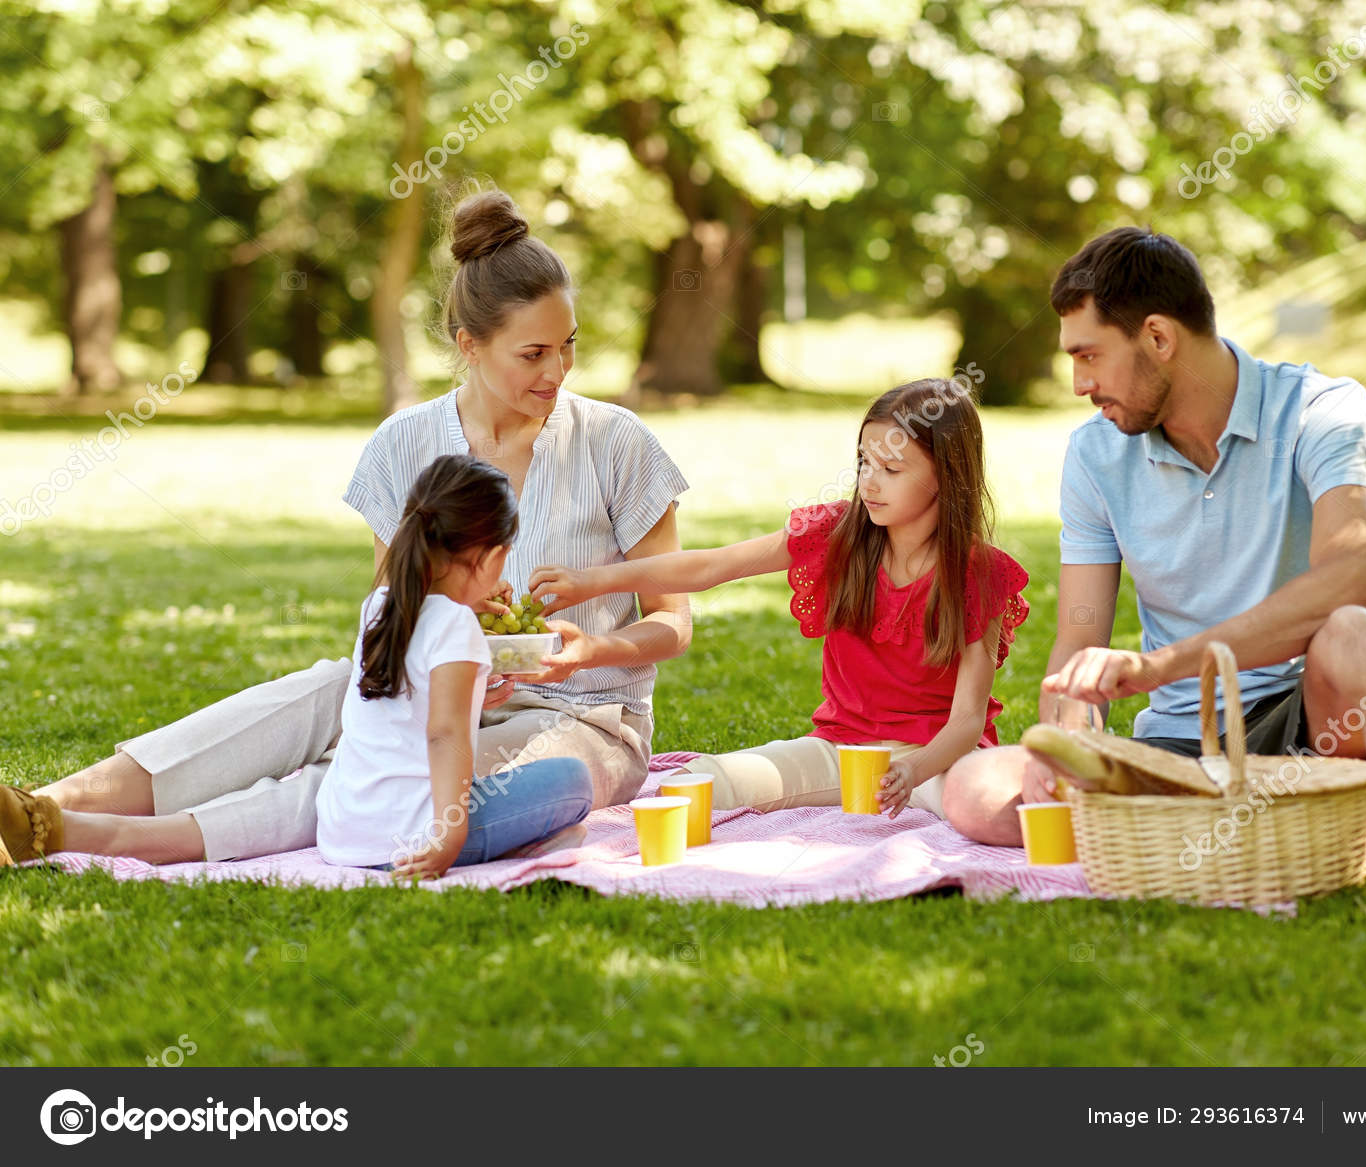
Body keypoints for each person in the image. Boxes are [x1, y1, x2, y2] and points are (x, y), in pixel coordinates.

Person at [14, 188, 689, 866]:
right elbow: (390, 609)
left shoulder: (616, 443)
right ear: (470, 345)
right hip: (435, 681)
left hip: (583, 720)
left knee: (376, 777)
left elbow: (674, 623)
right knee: (303, 700)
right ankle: (40, 804)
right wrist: (457, 666)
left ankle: (92, 837)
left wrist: (587, 652)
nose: (558, 370)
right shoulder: (406, 441)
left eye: (567, 346)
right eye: (534, 353)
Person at [941, 227, 1366, 927]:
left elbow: (1348, 576)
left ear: (1159, 338)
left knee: (1351, 630)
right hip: (1181, 747)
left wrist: (1161, 664)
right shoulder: (1095, 455)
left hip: (1313, 716)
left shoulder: (1322, 408)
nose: (1080, 384)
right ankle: (1340, 815)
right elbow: (1080, 639)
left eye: (1089, 355)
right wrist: (1068, 734)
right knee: (975, 787)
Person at [528, 379, 1029, 817]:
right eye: (863, 462)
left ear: (948, 474)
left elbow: (967, 721)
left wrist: (912, 770)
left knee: (984, 804)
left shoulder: (981, 574)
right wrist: (593, 580)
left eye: (891, 470)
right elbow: (710, 566)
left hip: (938, 760)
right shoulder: (838, 533)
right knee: (695, 783)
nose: (869, 482)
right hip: (841, 751)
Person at [317, 454, 591, 876]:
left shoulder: (380, 604)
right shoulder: (455, 624)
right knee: (573, 780)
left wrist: (476, 694)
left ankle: (510, 838)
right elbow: (444, 735)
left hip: (343, 834)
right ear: (492, 556)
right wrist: (449, 835)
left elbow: (414, 704)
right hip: (413, 839)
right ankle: (512, 843)